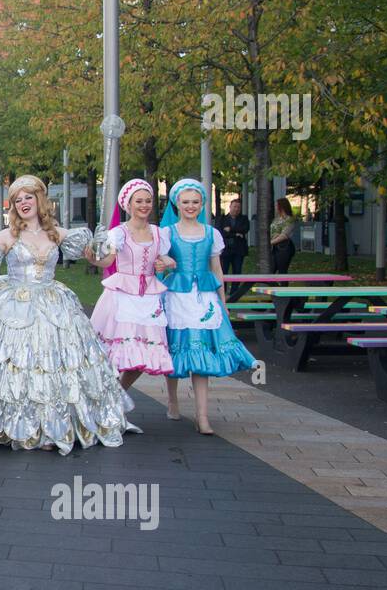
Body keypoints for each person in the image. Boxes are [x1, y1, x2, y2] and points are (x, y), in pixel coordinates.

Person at [0, 174, 127, 454]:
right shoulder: (8, 235)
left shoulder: (56, 233)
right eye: (18, 199)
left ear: (40, 200)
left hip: (52, 306)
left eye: (29, 197)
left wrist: (101, 243)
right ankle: (11, 423)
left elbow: (103, 259)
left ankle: (51, 426)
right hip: (12, 306)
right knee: (16, 365)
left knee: (51, 365)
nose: (24, 203)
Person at [160, 178, 258, 435]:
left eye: (195, 202)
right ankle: (172, 400)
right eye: (185, 202)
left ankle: (202, 416)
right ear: (176, 204)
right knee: (175, 350)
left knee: (200, 354)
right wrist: (165, 261)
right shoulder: (167, 233)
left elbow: (217, 269)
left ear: (202, 203)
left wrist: (223, 302)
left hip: (203, 298)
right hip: (177, 296)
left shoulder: (211, 234)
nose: (190, 206)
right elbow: (157, 261)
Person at [86, 179, 175, 397]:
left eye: (147, 201)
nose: (144, 205)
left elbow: (165, 259)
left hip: (148, 298)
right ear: (129, 204)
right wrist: (93, 259)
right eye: (139, 201)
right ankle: (106, 399)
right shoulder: (119, 232)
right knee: (116, 352)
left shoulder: (158, 233)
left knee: (143, 354)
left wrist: (169, 263)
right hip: (122, 295)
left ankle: (117, 396)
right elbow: (109, 262)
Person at [217, 197, 250, 275]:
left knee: (237, 271)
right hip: (226, 249)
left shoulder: (244, 219)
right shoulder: (222, 219)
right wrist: (236, 234)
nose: (236, 209)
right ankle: (223, 287)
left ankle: (235, 287)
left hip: (239, 250)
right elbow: (220, 232)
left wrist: (231, 229)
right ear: (230, 207)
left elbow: (245, 229)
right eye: (235, 206)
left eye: (238, 207)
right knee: (223, 271)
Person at [270, 197, 297, 274]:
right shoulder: (277, 219)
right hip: (274, 247)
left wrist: (271, 242)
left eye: (276, 205)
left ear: (281, 207)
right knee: (271, 269)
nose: (275, 207)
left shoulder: (289, 219)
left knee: (282, 270)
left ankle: (283, 285)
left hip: (284, 247)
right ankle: (272, 285)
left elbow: (284, 235)